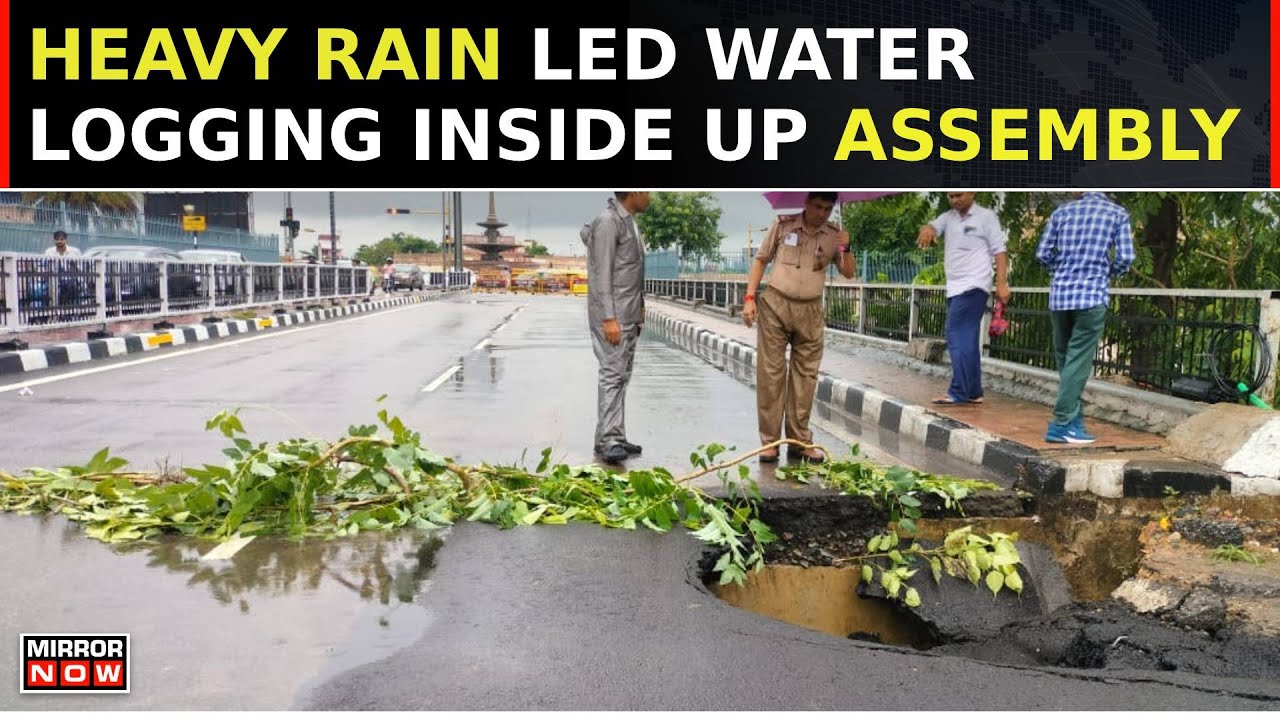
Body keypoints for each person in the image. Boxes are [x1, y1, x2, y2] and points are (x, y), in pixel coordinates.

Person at [743, 192, 856, 464]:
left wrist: (847, 247)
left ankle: (799, 441)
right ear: (806, 203)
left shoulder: (835, 235)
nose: (822, 213)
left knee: (806, 377)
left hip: (811, 310)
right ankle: (769, 442)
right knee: (771, 373)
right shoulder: (783, 225)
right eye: (817, 207)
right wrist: (749, 298)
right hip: (776, 305)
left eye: (828, 209)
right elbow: (761, 259)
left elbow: (849, 272)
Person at [1035, 191, 1135, 444]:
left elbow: (1043, 254)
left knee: (1067, 361)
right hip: (1091, 297)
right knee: (1078, 362)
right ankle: (1061, 424)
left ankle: (1074, 421)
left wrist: (1061, 271)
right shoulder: (1117, 214)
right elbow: (1125, 258)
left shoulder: (1061, 213)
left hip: (1060, 298)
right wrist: (1105, 272)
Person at [916, 192, 1010, 405]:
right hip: (954, 287)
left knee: (956, 333)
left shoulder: (986, 217)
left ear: (972, 193)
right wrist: (928, 230)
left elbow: (1000, 251)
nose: (955, 200)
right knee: (966, 337)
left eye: (959, 195)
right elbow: (931, 227)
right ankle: (974, 391)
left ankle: (959, 391)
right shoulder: (948, 217)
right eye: (951, 196)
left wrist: (1002, 283)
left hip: (974, 284)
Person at [581, 191, 650, 464]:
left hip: (629, 314)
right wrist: (609, 318)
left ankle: (612, 435)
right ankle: (609, 438)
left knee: (621, 375)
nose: (649, 196)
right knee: (612, 374)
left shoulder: (629, 221)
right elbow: (602, 275)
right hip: (614, 316)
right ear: (634, 192)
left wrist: (640, 311)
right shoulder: (608, 222)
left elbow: (633, 273)